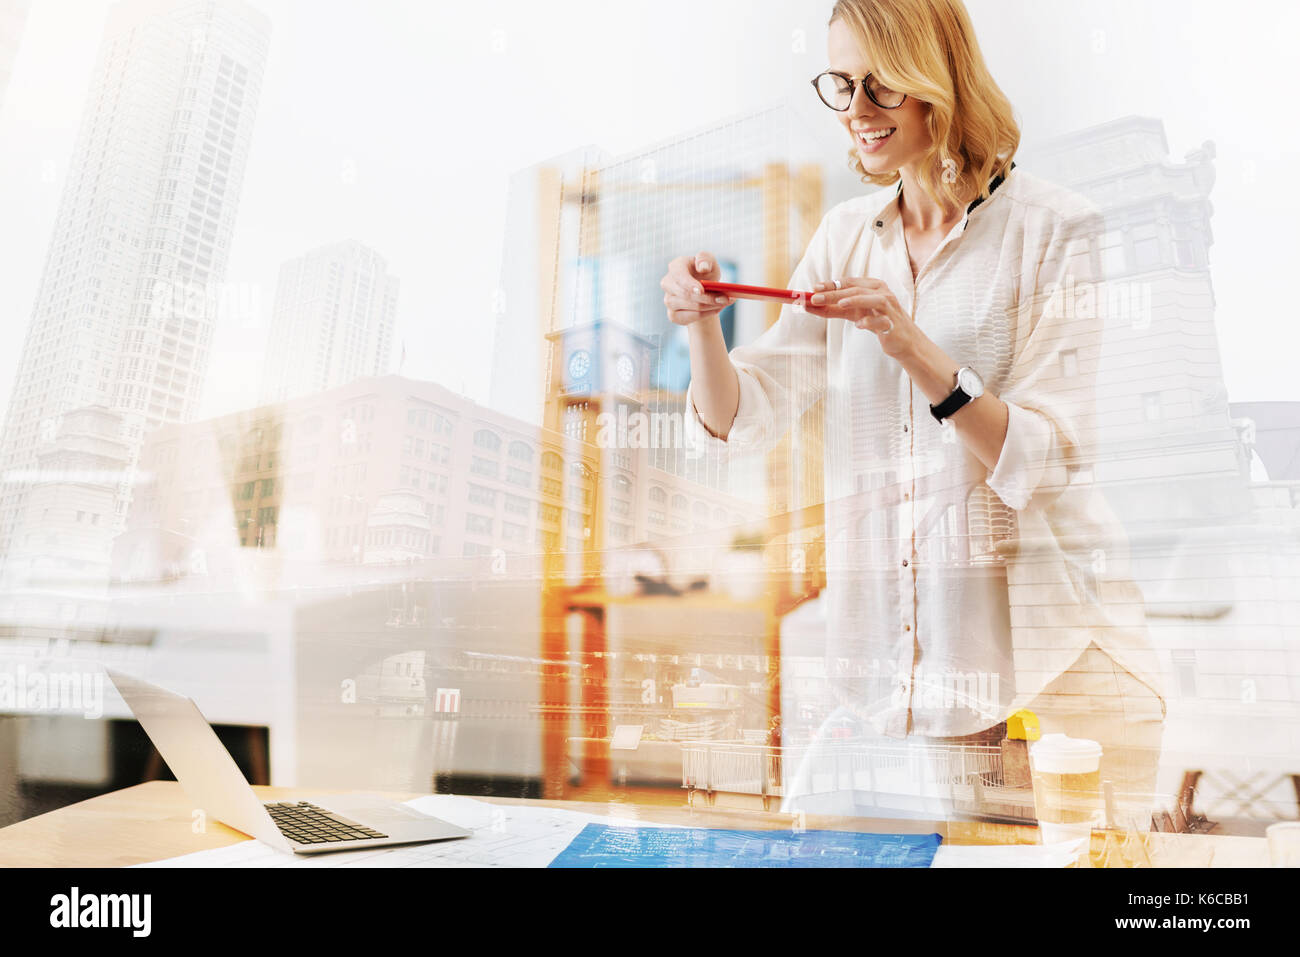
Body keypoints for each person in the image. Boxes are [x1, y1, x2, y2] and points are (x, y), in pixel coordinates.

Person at [660, 0, 1166, 826]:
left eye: (882, 86)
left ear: (941, 80)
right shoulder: (845, 235)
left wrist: (911, 344)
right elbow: (744, 416)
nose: (856, 111)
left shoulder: (1056, 229)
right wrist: (703, 330)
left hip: (1020, 677)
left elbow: (1045, 457)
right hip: (878, 681)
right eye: (842, 84)